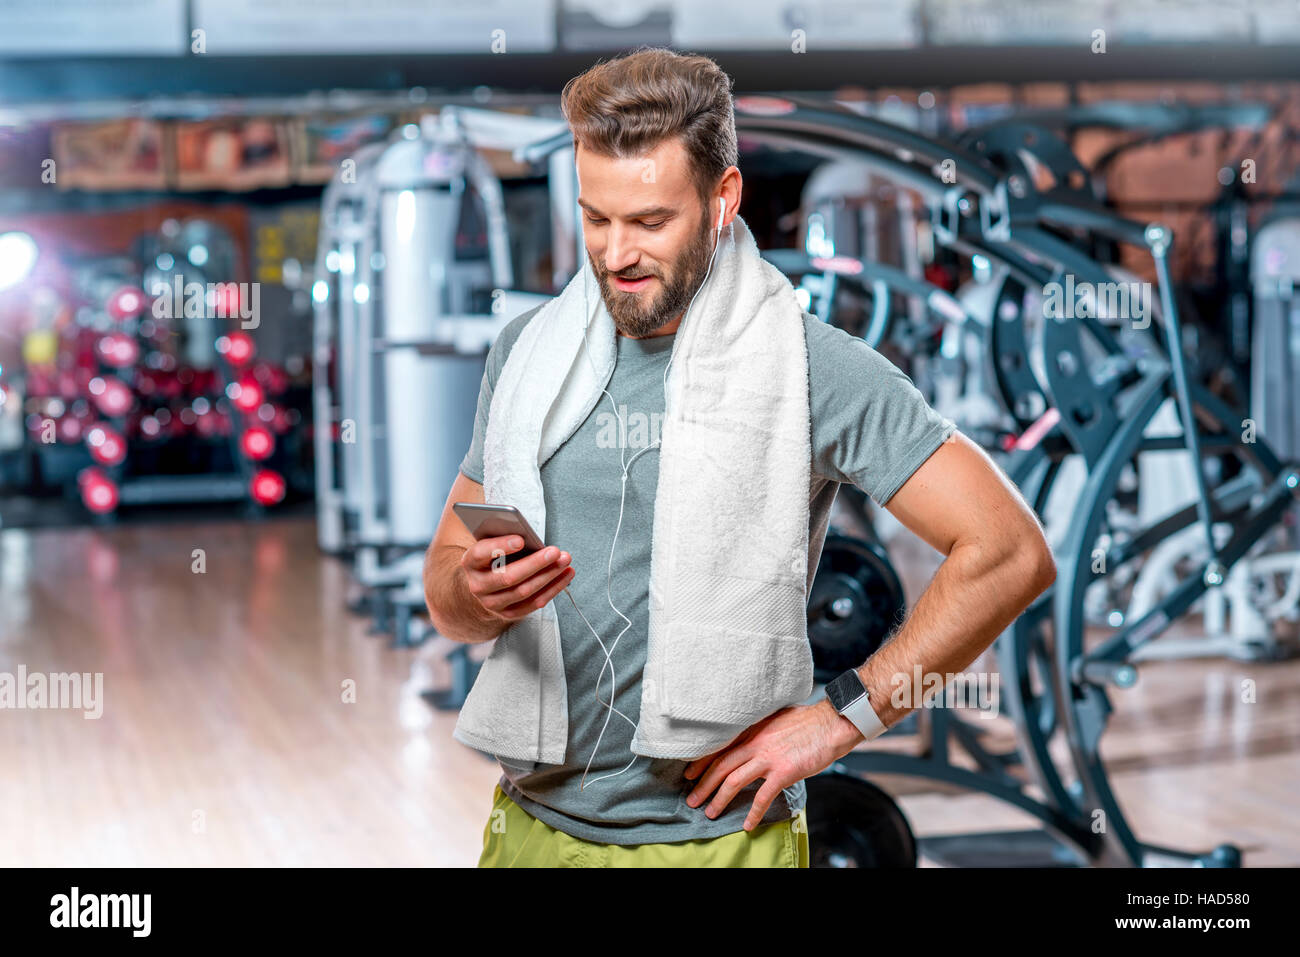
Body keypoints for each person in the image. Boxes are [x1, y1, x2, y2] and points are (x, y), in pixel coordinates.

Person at [423, 47, 1055, 868]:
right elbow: (444, 583)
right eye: (596, 217)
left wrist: (843, 717)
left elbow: (1010, 553)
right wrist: (474, 594)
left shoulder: (810, 365)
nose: (616, 253)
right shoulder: (526, 354)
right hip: (530, 824)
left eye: (651, 221)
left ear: (723, 199)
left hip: (716, 841)